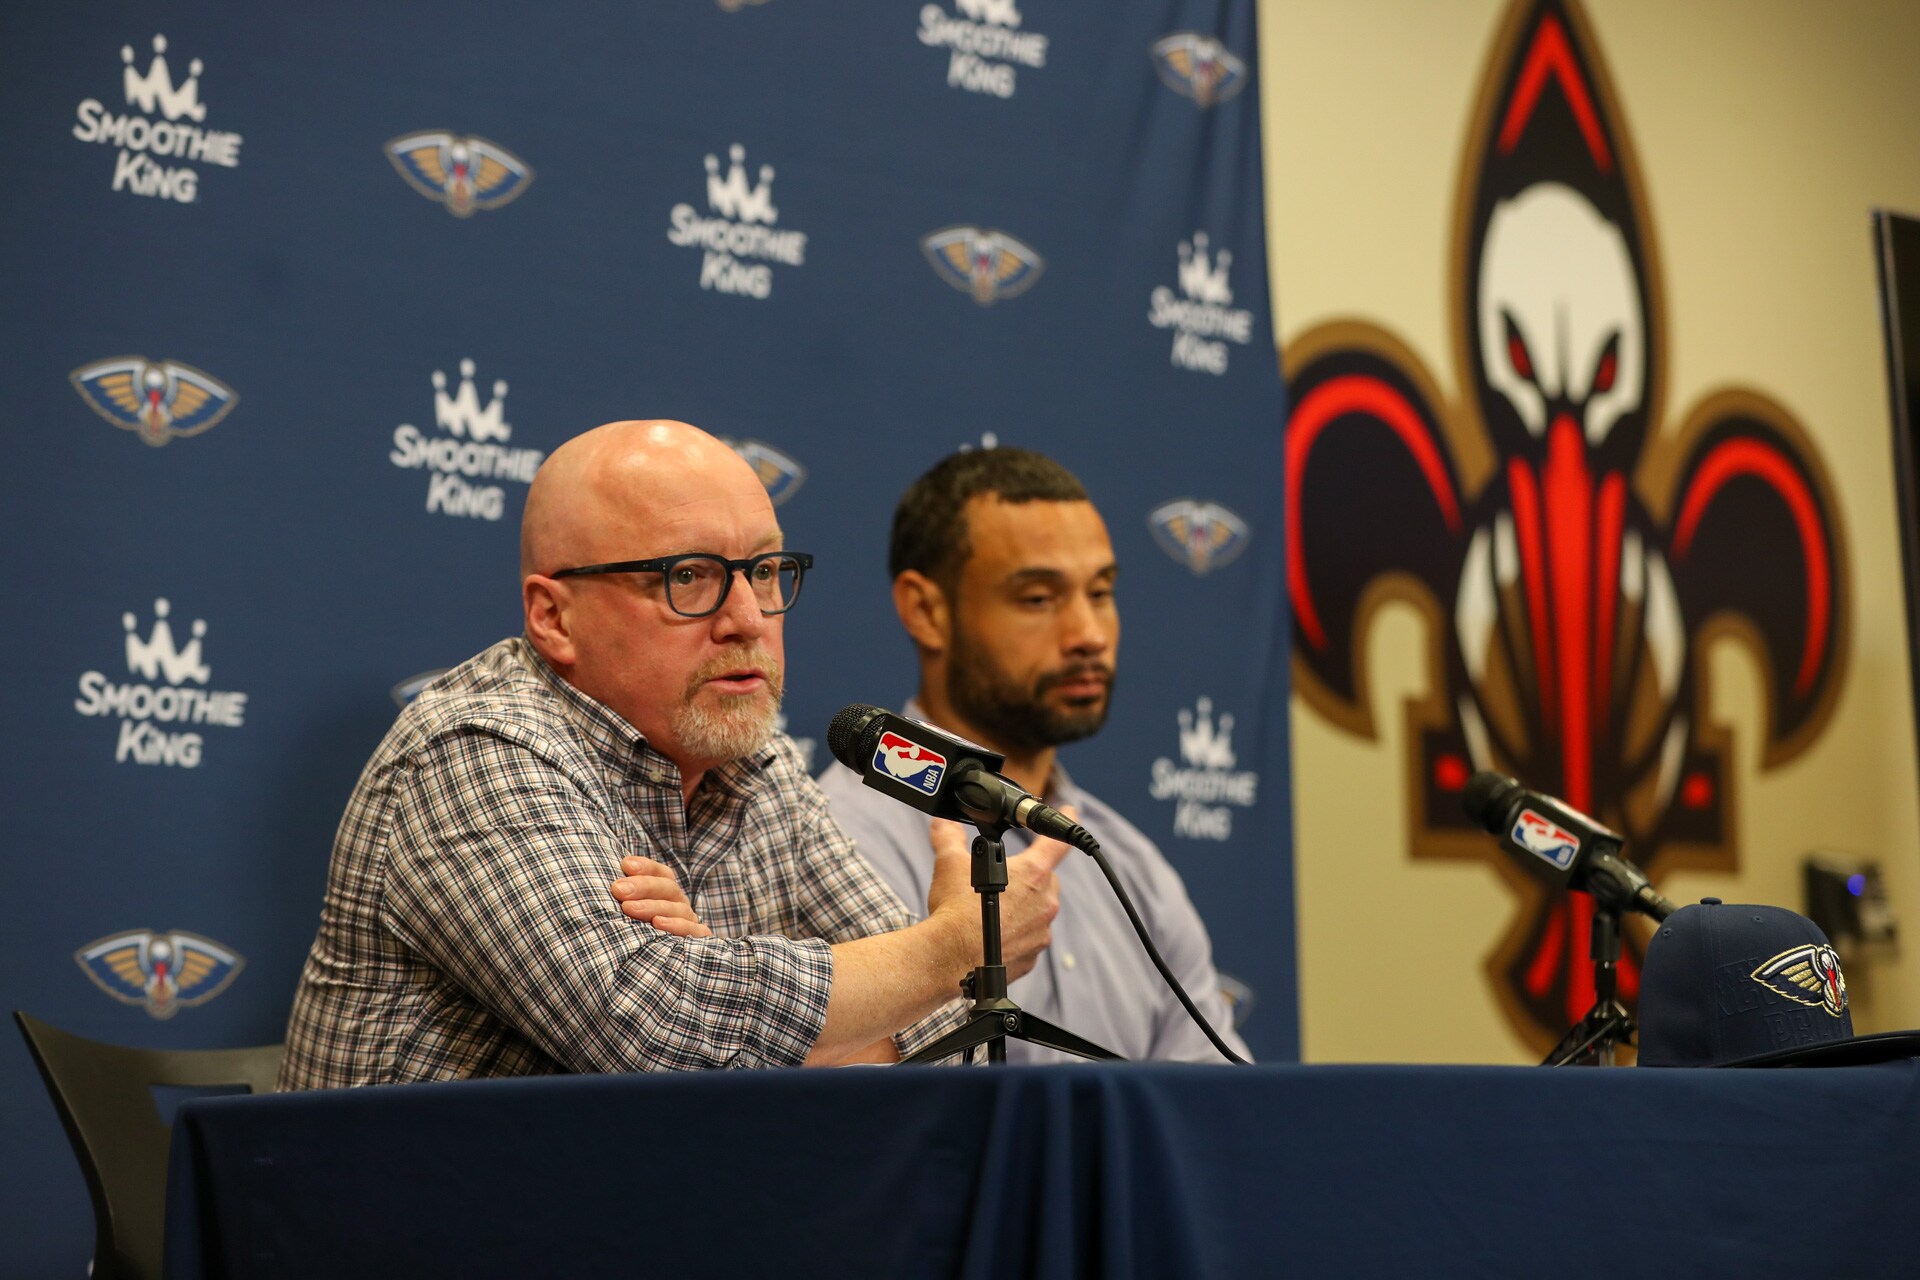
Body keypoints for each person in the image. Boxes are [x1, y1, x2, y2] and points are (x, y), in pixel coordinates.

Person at [277, 421, 1065, 1088]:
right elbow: (660, 1037)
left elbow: (945, 1039)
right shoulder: (476, 752)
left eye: (763, 571)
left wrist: (721, 970)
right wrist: (955, 944)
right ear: (554, 617)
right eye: (688, 577)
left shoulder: (755, 762)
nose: (747, 618)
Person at [819, 447, 1250, 1064]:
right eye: (1039, 598)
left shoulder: (1130, 868)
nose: (1089, 636)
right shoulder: (832, 837)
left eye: (1100, 593)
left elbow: (1217, 1125)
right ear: (926, 610)